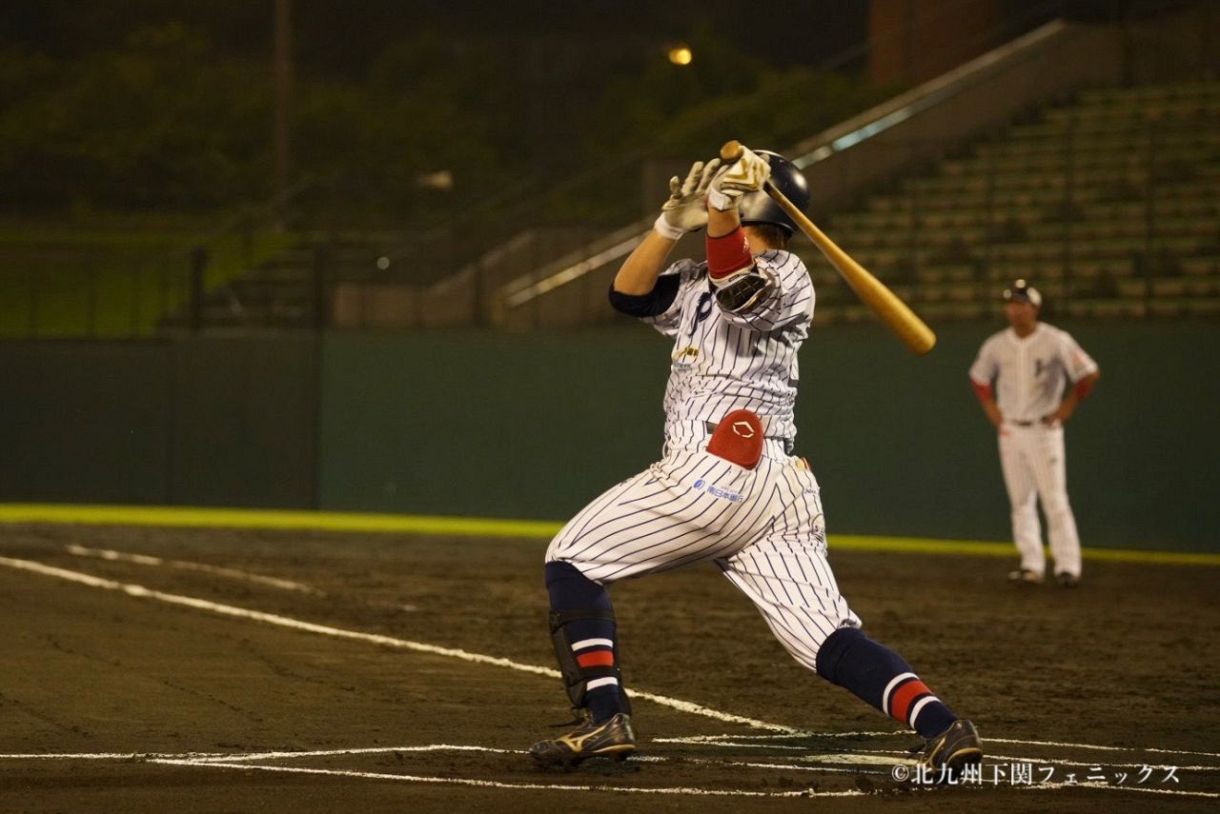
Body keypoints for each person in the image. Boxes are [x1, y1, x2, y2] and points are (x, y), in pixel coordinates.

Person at [528, 147, 982, 780]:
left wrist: (721, 217)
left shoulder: (789, 273)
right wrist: (670, 226)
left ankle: (605, 717)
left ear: (749, 206)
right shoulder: (695, 276)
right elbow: (626, 296)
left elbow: (738, 293)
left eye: (728, 194)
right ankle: (943, 725)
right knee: (825, 638)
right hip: (775, 492)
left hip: (717, 469)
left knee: (572, 558)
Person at [968, 280, 1101, 587]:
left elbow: (1089, 373)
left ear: (1035, 308)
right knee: (1020, 501)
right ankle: (1031, 564)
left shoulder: (1055, 340)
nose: (1015, 309)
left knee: (1054, 499)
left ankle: (1068, 565)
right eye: (1011, 303)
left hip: (1044, 428)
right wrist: (991, 409)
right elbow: (978, 377)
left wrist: (1067, 407)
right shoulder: (997, 344)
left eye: (1021, 303)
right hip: (1011, 428)